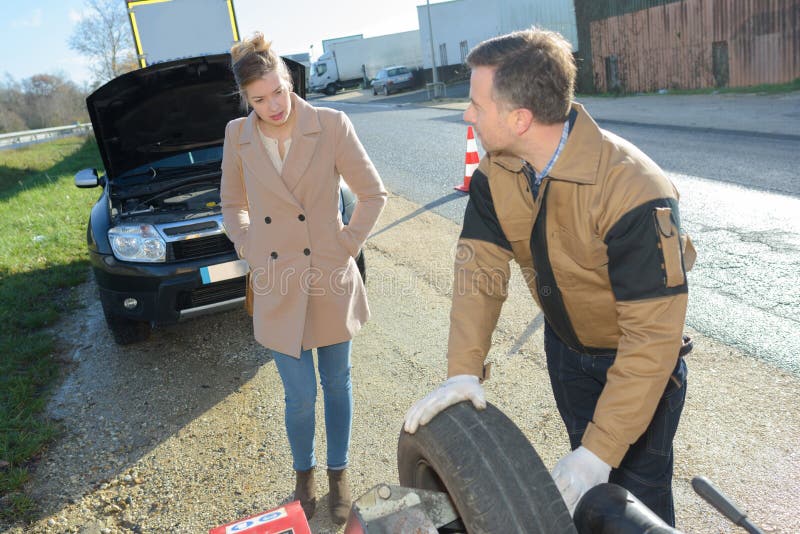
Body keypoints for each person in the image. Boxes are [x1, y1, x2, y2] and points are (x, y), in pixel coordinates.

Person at [403, 28, 695, 526]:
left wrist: (599, 452)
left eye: (476, 104)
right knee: (585, 493)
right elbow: (480, 273)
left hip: (639, 365)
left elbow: (651, 338)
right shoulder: (496, 173)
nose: (466, 114)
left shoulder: (634, 191)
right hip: (567, 354)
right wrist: (463, 369)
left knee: (634, 507)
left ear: (520, 118)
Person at [220, 33, 387, 524]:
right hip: (277, 280)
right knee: (299, 395)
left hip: (330, 275)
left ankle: (339, 473)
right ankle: (304, 474)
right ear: (245, 99)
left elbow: (373, 194)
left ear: (290, 80)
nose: (272, 105)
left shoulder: (330, 124)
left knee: (337, 383)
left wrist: (345, 245)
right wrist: (252, 250)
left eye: (278, 91)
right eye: (259, 98)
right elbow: (233, 205)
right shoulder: (238, 135)